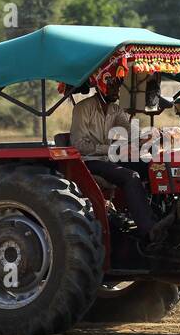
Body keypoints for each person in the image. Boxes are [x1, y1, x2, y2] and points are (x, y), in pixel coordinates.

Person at [70, 75, 167, 242]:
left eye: (118, 86)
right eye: (112, 86)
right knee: (130, 177)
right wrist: (112, 149)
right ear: (100, 86)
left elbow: (131, 134)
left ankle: (161, 215)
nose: (117, 90)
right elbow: (79, 145)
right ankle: (149, 231)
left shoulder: (115, 110)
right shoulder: (83, 108)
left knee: (154, 166)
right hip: (88, 162)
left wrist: (151, 135)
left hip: (108, 158)